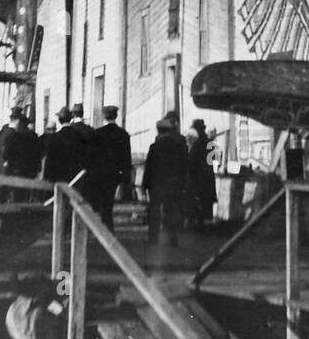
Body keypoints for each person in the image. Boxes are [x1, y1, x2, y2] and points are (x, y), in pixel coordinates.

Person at [142, 117, 188, 247]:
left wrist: (145, 185)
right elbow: (184, 167)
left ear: (158, 130)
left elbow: (149, 168)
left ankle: (153, 238)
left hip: (156, 185)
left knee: (154, 211)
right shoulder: (177, 147)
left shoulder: (154, 147)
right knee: (171, 211)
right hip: (173, 185)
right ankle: (173, 239)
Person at [90, 105, 133, 230]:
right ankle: (108, 227)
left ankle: (105, 227)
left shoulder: (98, 133)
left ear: (104, 116)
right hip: (115, 174)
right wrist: (126, 177)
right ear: (116, 116)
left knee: (103, 201)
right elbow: (126, 158)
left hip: (100, 173)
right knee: (109, 201)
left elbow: (93, 156)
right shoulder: (123, 134)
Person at [0, 107, 41, 202]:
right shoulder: (12, 134)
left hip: (8, 169)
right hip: (12, 169)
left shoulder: (7, 132)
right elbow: (7, 153)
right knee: (9, 194)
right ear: (18, 121)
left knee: (4, 193)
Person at [45, 107, 88, 187]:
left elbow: (49, 160)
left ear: (59, 120)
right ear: (71, 119)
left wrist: (48, 177)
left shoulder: (53, 138)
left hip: (58, 178)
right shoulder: (80, 136)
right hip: (76, 178)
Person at [186, 118, 216, 230]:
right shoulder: (210, 143)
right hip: (207, 176)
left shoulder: (197, 144)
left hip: (197, 177)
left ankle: (197, 222)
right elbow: (215, 162)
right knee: (205, 200)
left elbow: (191, 161)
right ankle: (201, 222)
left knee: (196, 200)